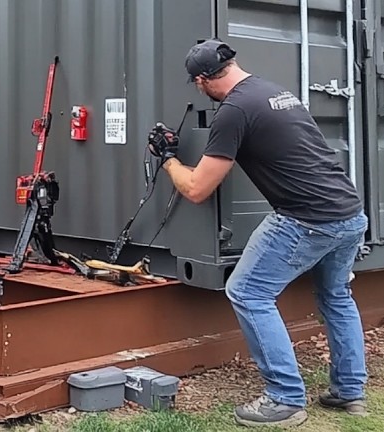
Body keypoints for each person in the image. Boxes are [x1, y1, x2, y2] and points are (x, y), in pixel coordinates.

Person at [147, 38, 370, 428]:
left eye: (198, 85)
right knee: (336, 295)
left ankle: (284, 398)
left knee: (248, 291)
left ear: (202, 80)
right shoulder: (273, 91)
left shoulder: (233, 110)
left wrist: (167, 159)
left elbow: (198, 188)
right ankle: (350, 392)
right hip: (349, 213)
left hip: (307, 219)